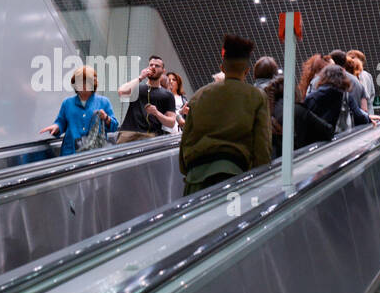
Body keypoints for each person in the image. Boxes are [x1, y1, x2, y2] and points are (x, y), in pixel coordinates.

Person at [179, 35, 272, 195]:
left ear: (222, 68)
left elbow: (186, 138)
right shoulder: (256, 96)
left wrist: (187, 171)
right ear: (247, 71)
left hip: (196, 176)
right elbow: (262, 145)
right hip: (233, 175)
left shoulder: (200, 95)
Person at [39, 65, 119, 155]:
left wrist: (106, 118)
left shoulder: (103, 102)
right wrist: (56, 127)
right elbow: (61, 122)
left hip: (94, 154)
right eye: (79, 81)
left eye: (87, 81)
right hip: (70, 154)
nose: (83, 85)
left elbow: (114, 126)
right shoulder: (67, 103)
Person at [116, 55, 177, 143]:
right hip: (128, 132)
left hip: (150, 136)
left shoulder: (167, 95)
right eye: (151, 65)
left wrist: (157, 113)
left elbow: (171, 123)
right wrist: (140, 77)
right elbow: (121, 92)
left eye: (157, 66)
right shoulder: (137, 87)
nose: (153, 67)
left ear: (163, 71)